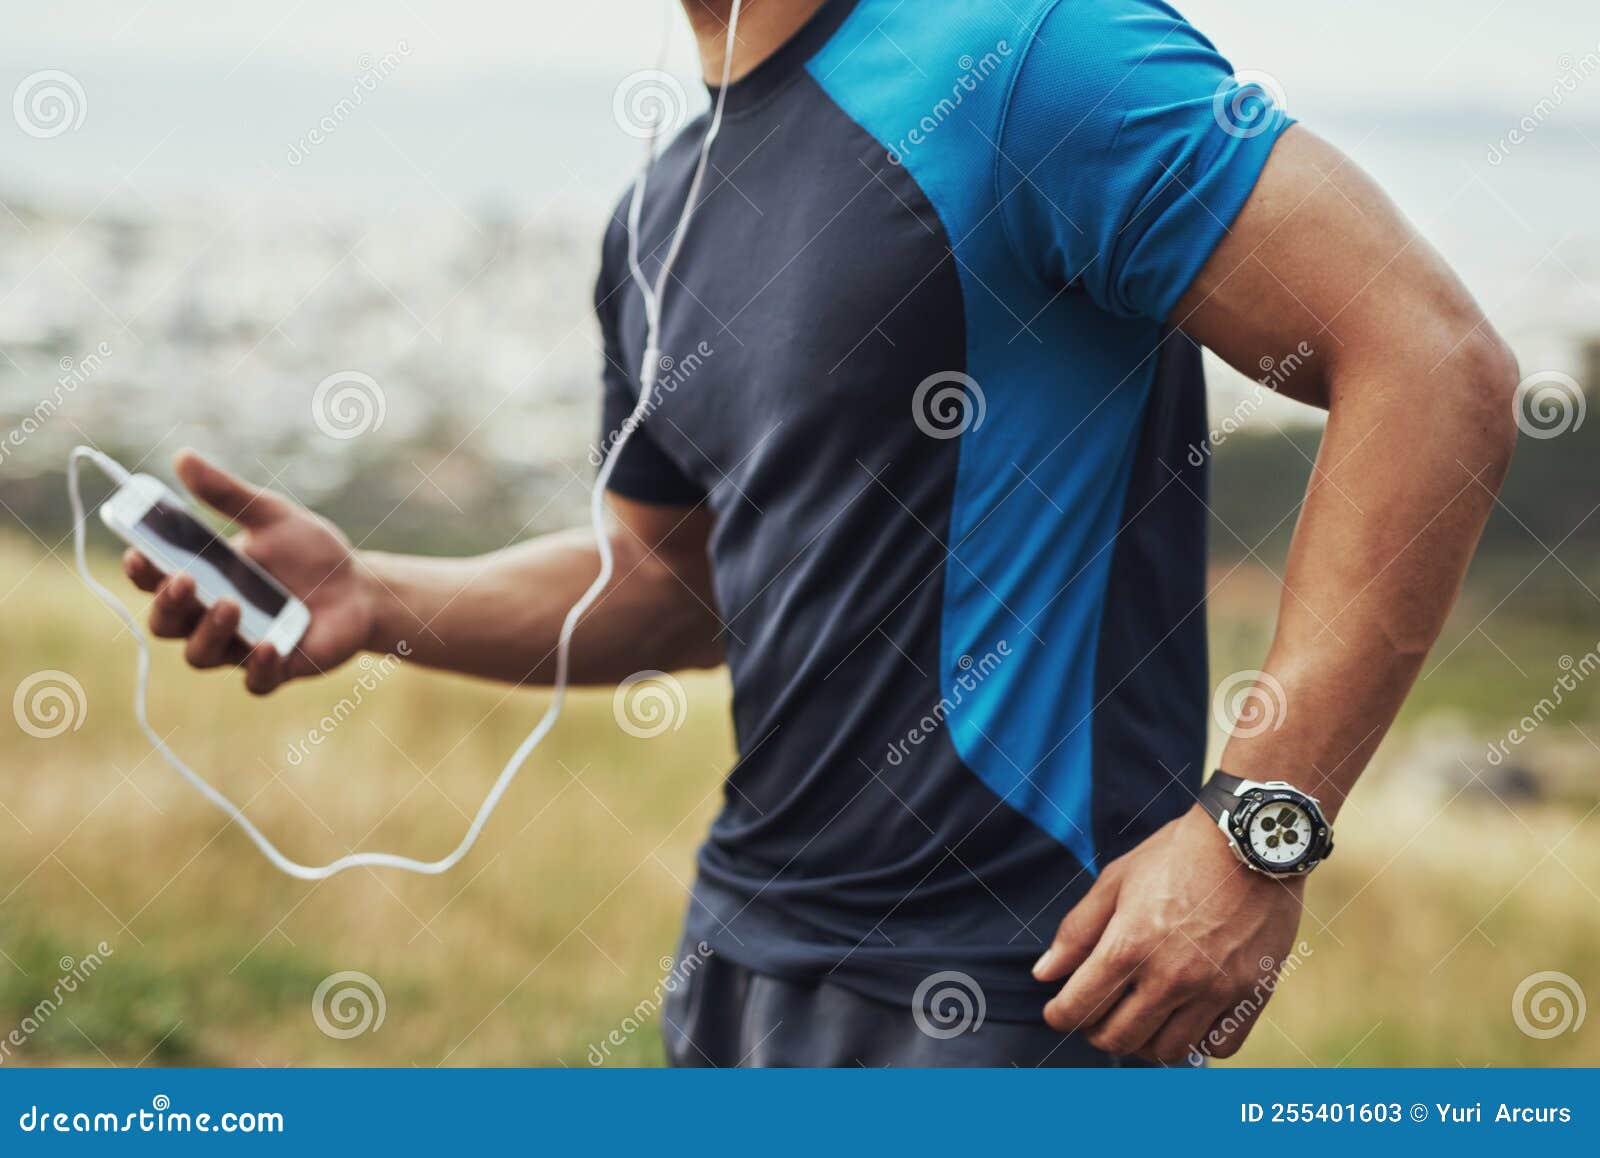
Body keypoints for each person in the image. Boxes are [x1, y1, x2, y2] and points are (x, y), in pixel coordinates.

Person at [121, 0, 1519, 1066]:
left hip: (1018, 988)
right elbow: (673, 579)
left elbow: (1427, 360)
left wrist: (1255, 832)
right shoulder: (662, 215)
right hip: (739, 962)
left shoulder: (1028, 52)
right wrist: (374, 592)